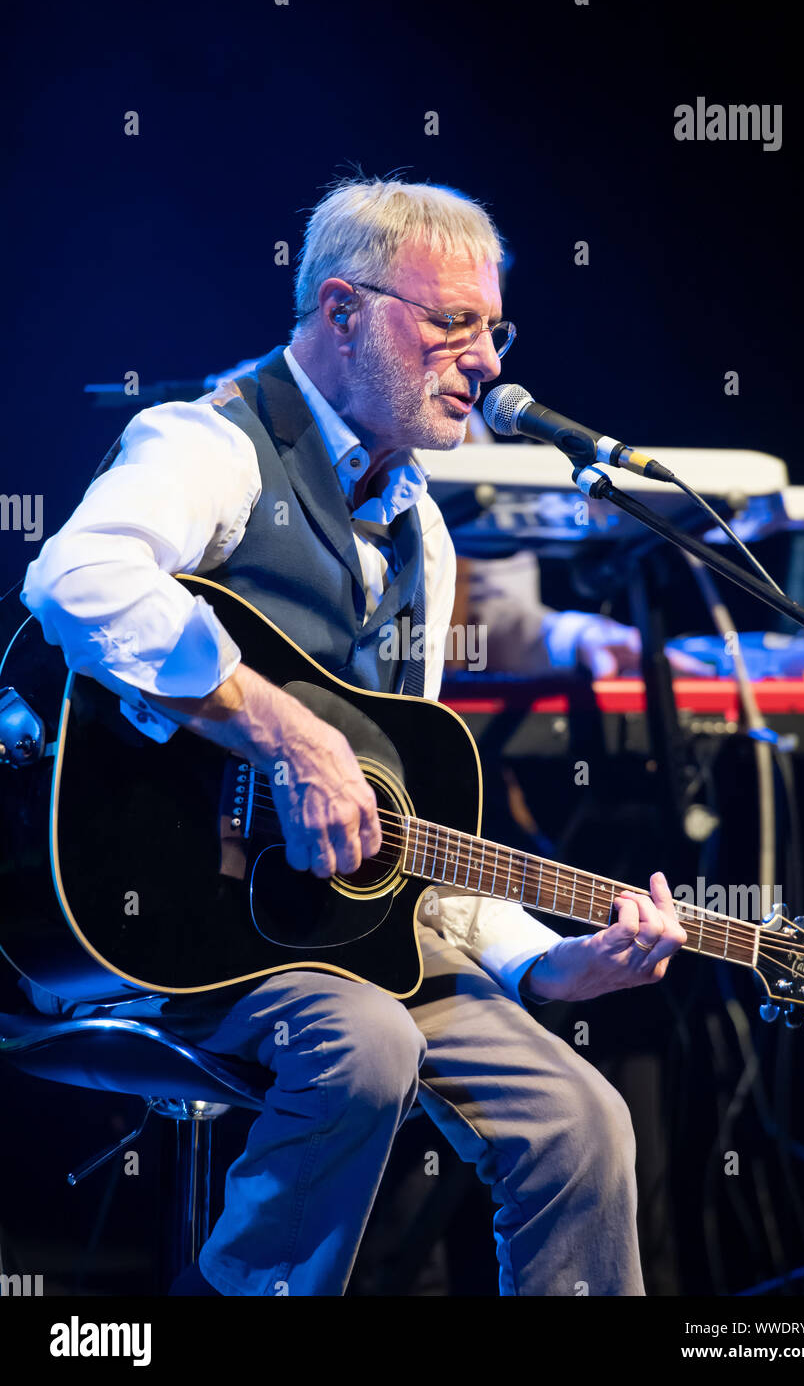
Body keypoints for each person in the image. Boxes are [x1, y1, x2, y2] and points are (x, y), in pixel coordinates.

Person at [20, 176, 687, 1297]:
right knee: (366, 1042)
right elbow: (73, 579)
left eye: (494, 327)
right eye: (449, 323)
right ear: (340, 311)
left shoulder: (421, 526)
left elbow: (411, 838)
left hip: (344, 942)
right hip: (166, 922)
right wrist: (283, 733)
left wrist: (551, 962)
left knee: (582, 1116)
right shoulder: (212, 442)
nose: (484, 361)